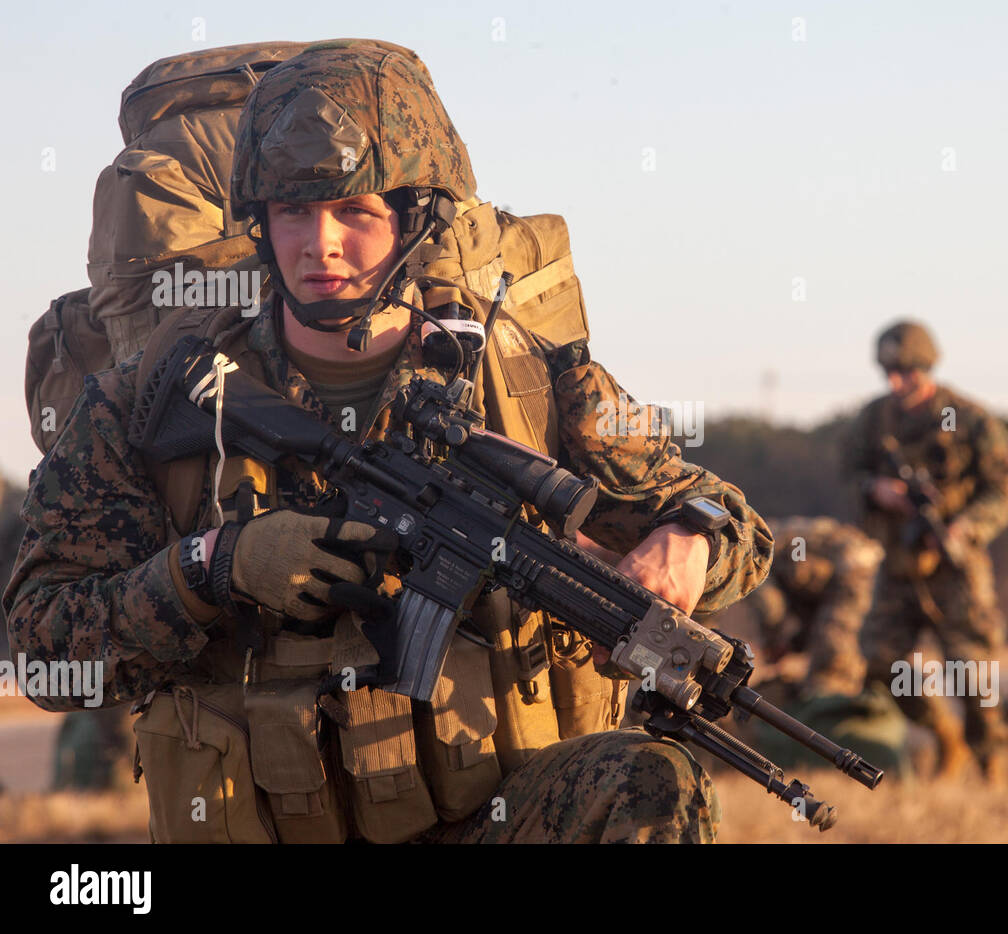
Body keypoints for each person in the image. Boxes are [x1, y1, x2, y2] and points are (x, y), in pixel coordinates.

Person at [3, 39, 772, 844]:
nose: (319, 244)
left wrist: (693, 537)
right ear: (258, 223)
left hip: (493, 821)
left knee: (650, 780)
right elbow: (43, 651)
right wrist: (211, 570)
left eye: (355, 213)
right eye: (292, 211)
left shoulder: (525, 378)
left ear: (416, 220)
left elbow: (729, 520)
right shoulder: (157, 395)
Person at [842, 320, 1008, 784]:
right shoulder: (874, 419)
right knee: (880, 661)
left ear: (927, 368)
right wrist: (875, 489)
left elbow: (1003, 486)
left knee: (971, 670)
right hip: (898, 567)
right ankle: (944, 736)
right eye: (889, 372)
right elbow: (849, 473)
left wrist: (966, 527)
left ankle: (991, 762)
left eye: (906, 372)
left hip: (956, 565)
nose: (896, 382)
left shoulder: (970, 418)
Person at [747, 516, 883, 699]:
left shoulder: (751, 557)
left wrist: (776, 638)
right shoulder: (772, 540)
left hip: (854, 569)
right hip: (858, 564)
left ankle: (827, 712)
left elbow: (771, 608)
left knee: (832, 662)